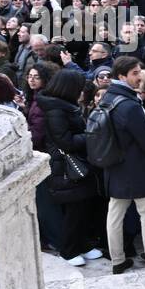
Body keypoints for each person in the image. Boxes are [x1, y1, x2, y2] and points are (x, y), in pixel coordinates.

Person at [99, 57, 145, 272]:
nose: (140, 77)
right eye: (135, 73)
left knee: (115, 214)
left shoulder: (107, 98)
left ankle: (118, 261)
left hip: (114, 165)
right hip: (136, 166)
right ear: (122, 77)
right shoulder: (129, 104)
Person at [38, 67, 105, 267]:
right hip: (66, 167)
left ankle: (83, 245)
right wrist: (91, 134)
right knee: (74, 211)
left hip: (75, 165)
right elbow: (65, 142)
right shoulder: (56, 110)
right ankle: (69, 250)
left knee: (83, 208)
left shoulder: (63, 106)